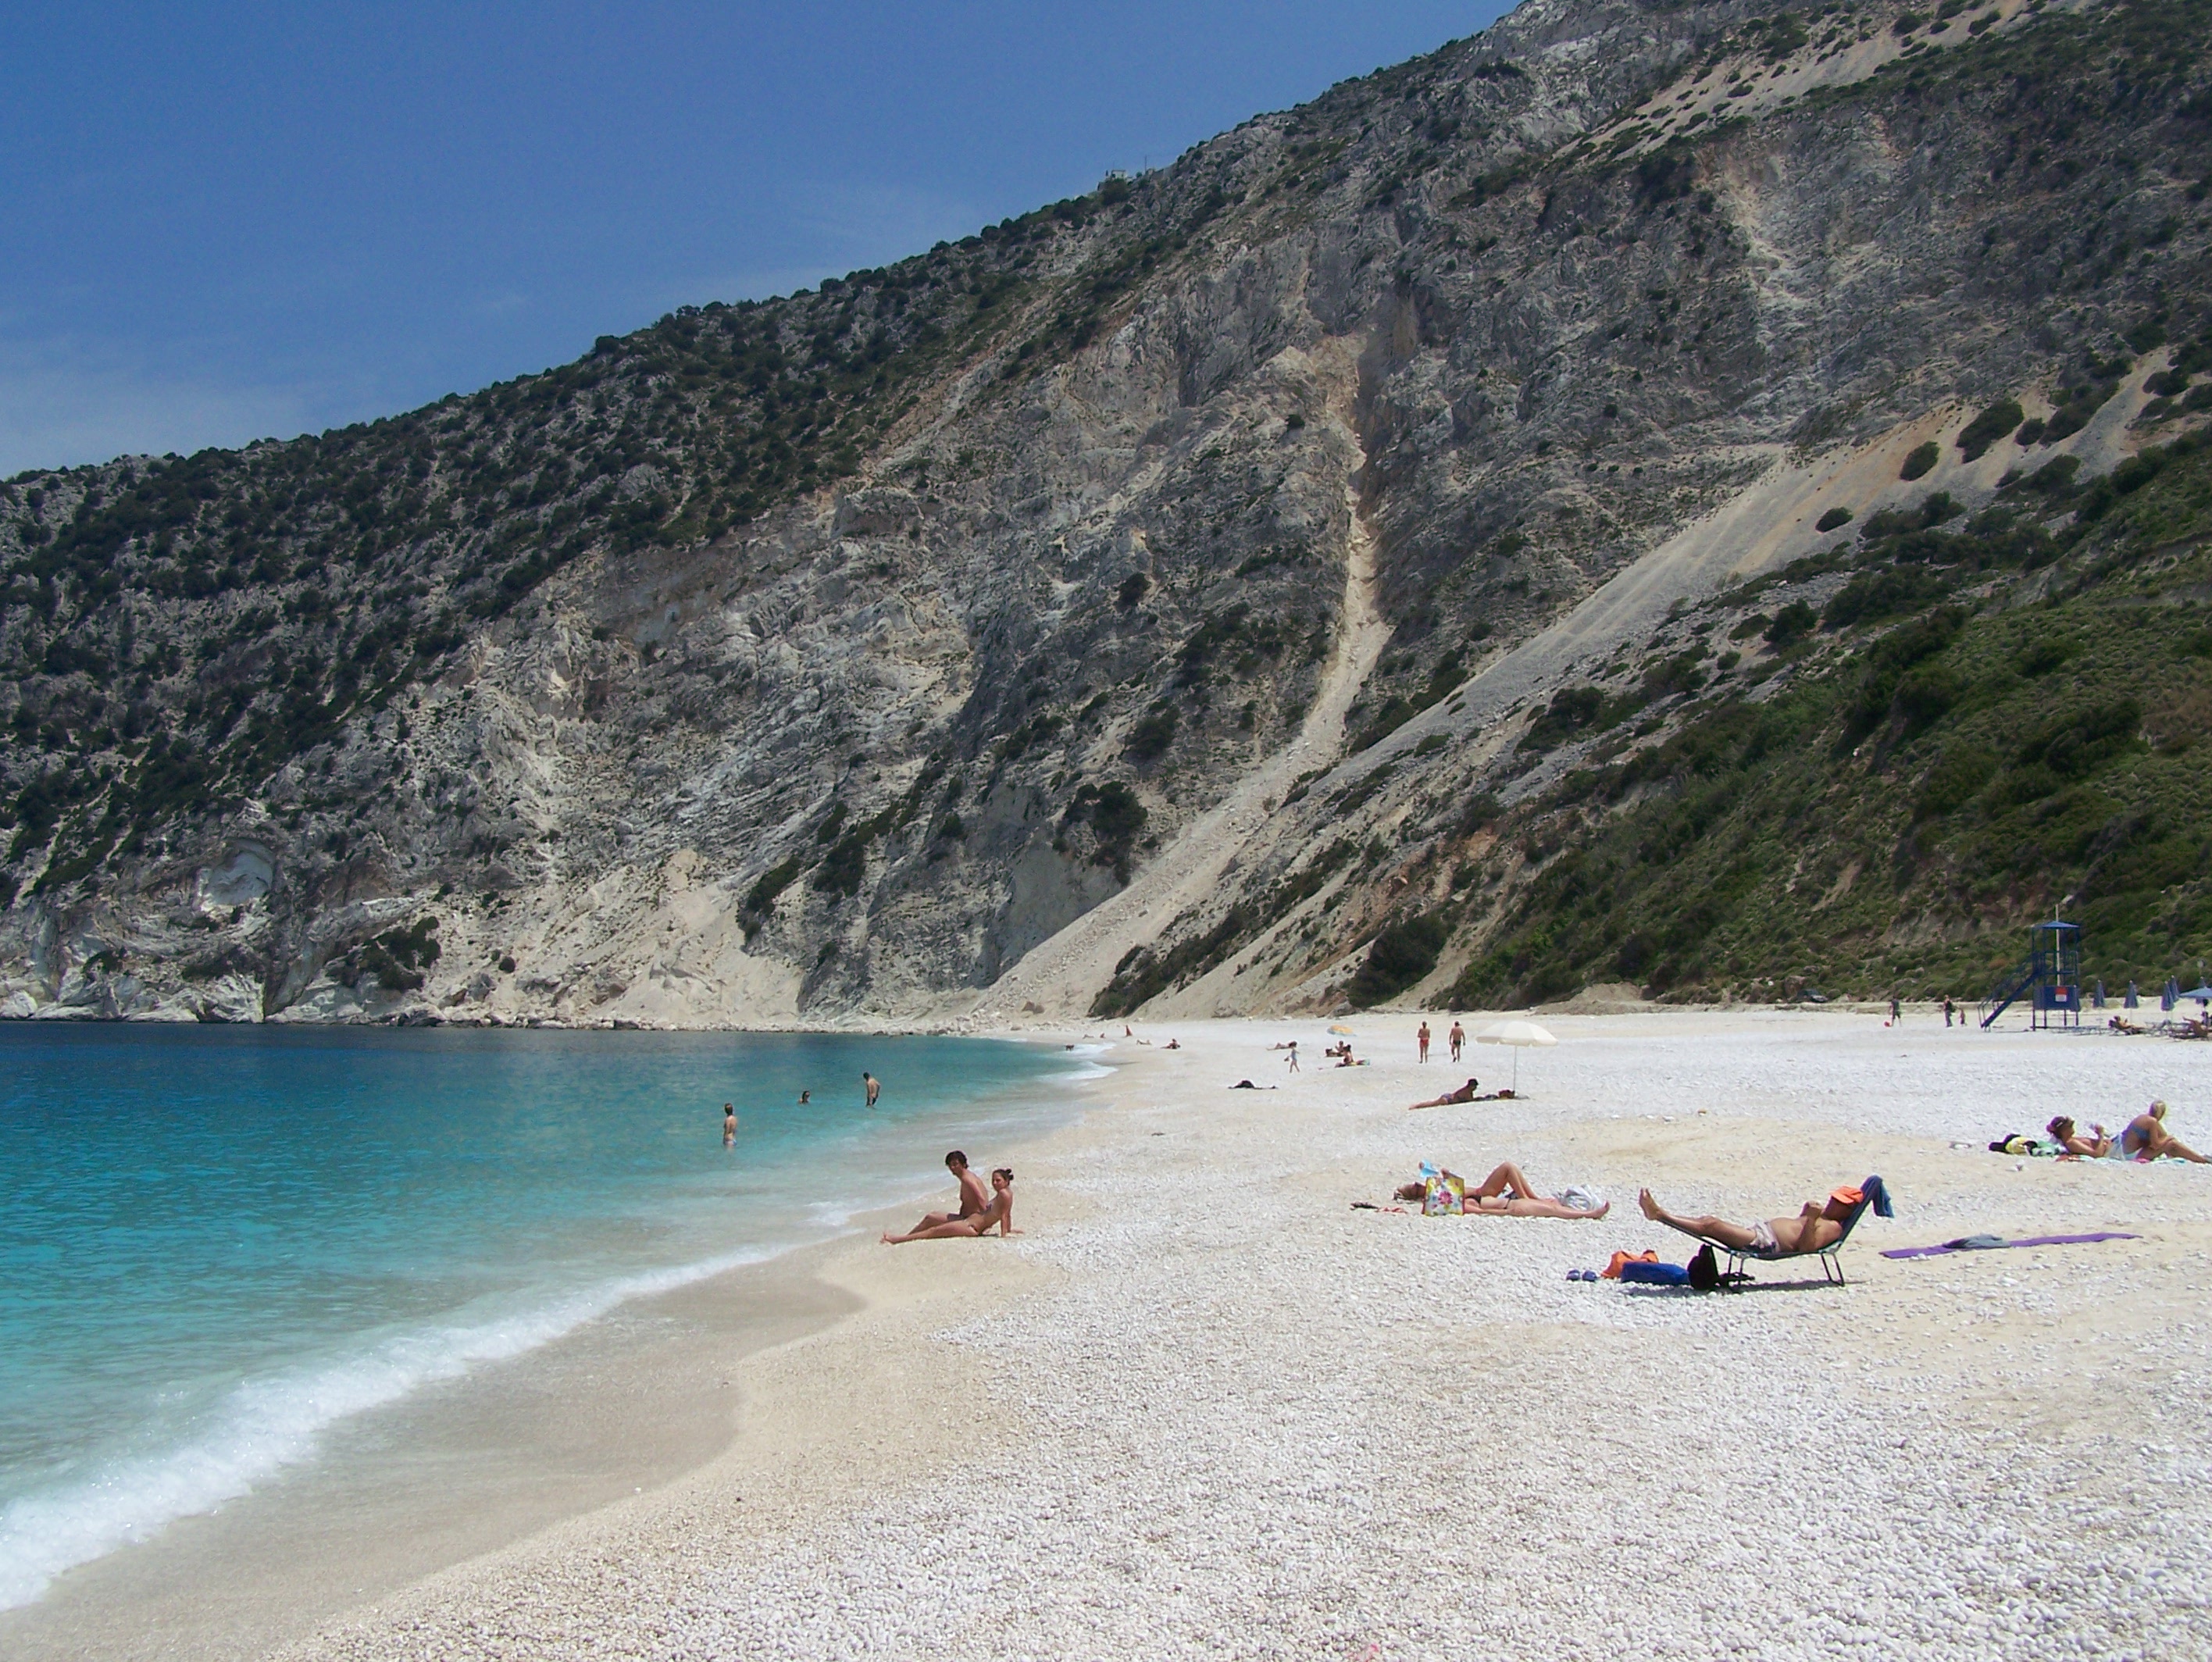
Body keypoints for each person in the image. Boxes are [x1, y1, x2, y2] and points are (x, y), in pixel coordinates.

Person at [1638, 1186, 1856, 1255]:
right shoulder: (1823, 1216)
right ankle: (1659, 1214)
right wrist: (1808, 1214)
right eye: (1834, 1199)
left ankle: (1659, 1215)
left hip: (1768, 1243)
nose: (1834, 1204)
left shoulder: (1833, 1227)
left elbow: (1806, 1248)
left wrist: (1810, 1219)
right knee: (1709, 1222)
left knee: (1711, 1225)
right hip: (1762, 1232)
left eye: (1841, 1204)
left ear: (1848, 1211)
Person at [1394, 1161, 1607, 1219]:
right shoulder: (1457, 1204)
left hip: (1497, 1198)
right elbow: (1479, 1211)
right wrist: (1506, 1213)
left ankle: (1534, 1198)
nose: (1419, 1185)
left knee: (1509, 1167)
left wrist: (1437, 1175)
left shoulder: (1446, 1194)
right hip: (1510, 1205)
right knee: (1552, 1210)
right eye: (1416, 1188)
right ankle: (1588, 1214)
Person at [883, 1168, 1019, 1243]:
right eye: (993, 1180)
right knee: (932, 1220)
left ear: (1006, 1181)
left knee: (934, 1231)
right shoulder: (1005, 1193)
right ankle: (905, 1238)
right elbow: (1006, 1213)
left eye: (998, 1181)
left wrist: (1004, 1234)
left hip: (972, 1227)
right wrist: (1010, 1230)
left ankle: (898, 1240)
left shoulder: (1004, 1195)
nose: (995, 1183)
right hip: (969, 1222)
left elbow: (1004, 1215)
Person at [2121, 1100, 2209, 1162]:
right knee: (2172, 1144)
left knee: (2169, 1142)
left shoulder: (2143, 1118)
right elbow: (2156, 1145)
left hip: (2126, 1152)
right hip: (2133, 1155)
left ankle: (2200, 1158)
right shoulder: (2152, 1122)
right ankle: (2202, 1160)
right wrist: (2169, 1138)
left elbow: (2161, 1135)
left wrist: (2165, 1137)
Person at [2046, 1115, 2112, 1157]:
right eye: (2070, 1126)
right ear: (2064, 1131)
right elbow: (2097, 1154)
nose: (2072, 1127)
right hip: (2113, 1150)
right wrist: (2101, 1135)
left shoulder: (2072, 1139)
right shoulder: (2071, 1143)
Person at [1407, 1077, 1479, 1110]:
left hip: (1448, 1097)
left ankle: (1416, 1106)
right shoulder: (1467, 1092)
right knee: (1431, 1104)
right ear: (1472, 1086)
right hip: (1448, 1100)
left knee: (1432, 1102)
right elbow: (1470, 1100)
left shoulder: (1466, 1090)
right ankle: (1415, 1106)